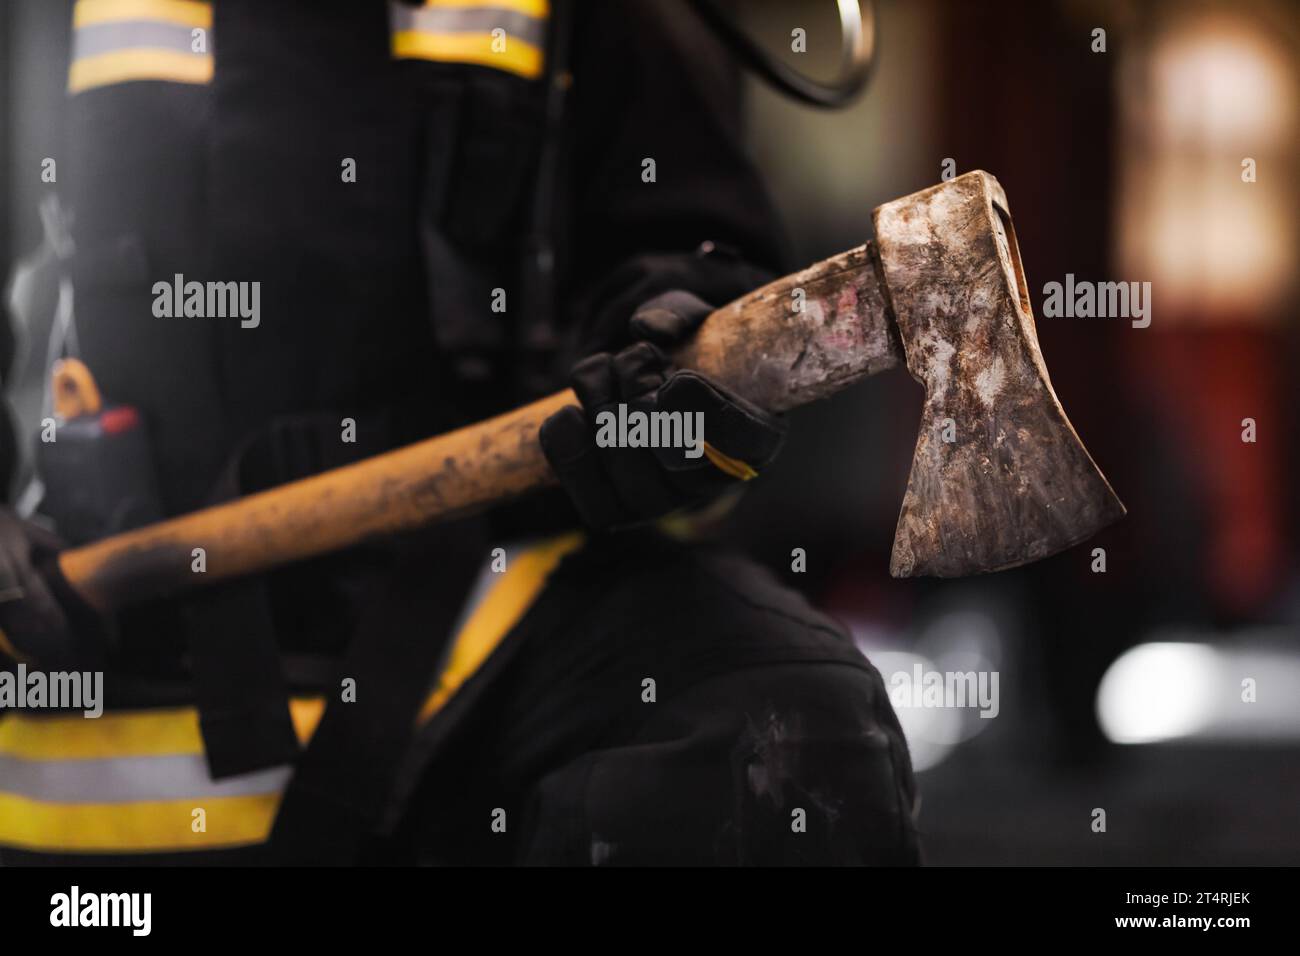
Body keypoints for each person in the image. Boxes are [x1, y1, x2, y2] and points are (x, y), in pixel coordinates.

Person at [0, 0, 919, 866]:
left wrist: (667, 353)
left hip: (489, 606)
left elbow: (680, 244)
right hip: (102, 640)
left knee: (790, 721)